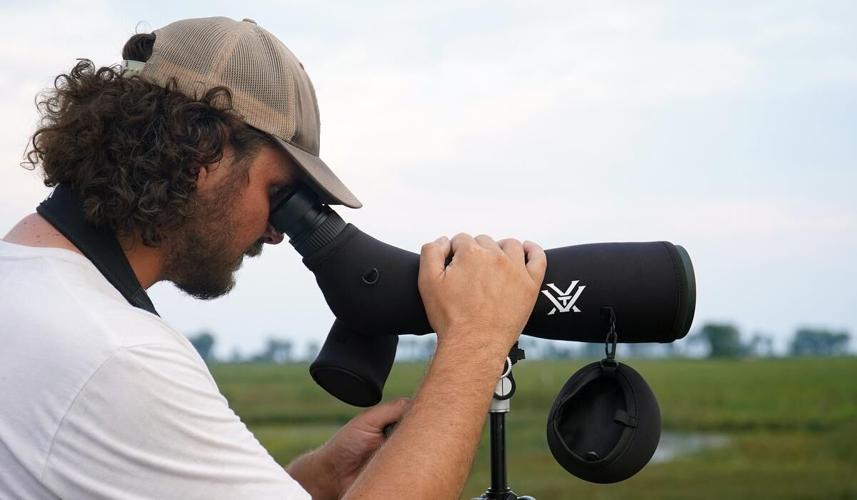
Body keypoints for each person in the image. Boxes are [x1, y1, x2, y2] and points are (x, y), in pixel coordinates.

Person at [0, 17, 546, 499]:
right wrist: (475, 339)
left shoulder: (28, 289)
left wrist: (313, 484)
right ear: (204, 152)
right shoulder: (117, 358)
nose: (278, 233)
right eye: (281, 194)